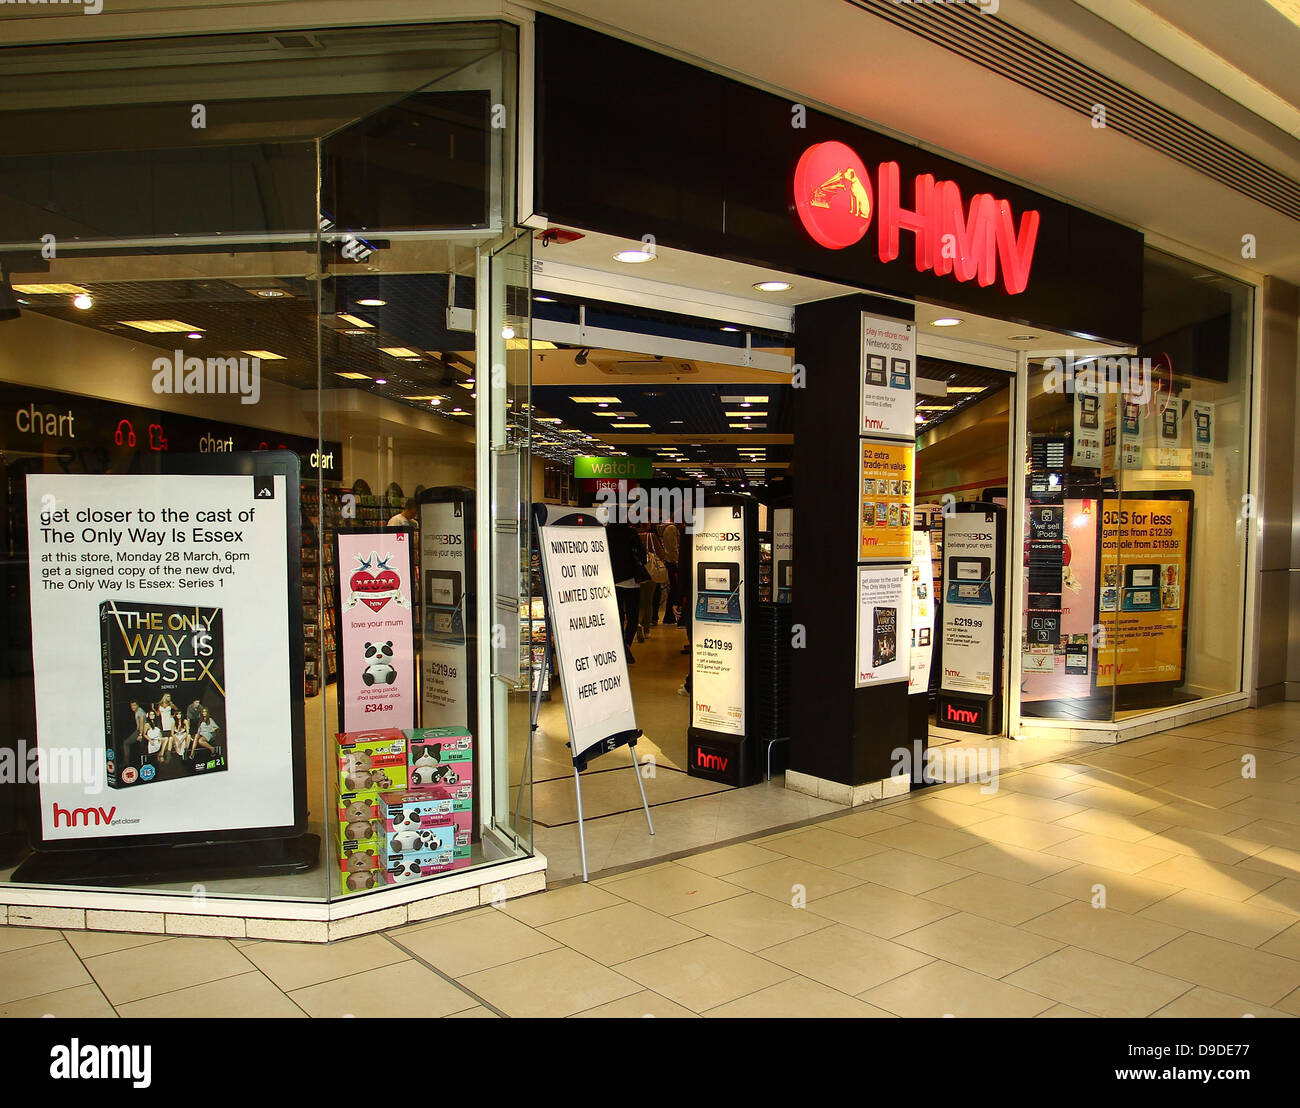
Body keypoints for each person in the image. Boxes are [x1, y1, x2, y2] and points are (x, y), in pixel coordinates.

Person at [606, 519, 648, 663]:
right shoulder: (631, 533)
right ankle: (627, 644)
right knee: (633, 616)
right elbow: (643, 556)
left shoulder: (606, 532)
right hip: (631, 581)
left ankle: (619, 645)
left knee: (616, 616)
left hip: (612, 581)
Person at [660, 519, 681, 625]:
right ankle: (669, 617)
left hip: (670, 562)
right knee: (674, 590)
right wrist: (677, 561)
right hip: (672, 563)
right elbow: (673, 547)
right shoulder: (671, 528)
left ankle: (670, 617)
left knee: (673, 590)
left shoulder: (667, 528)